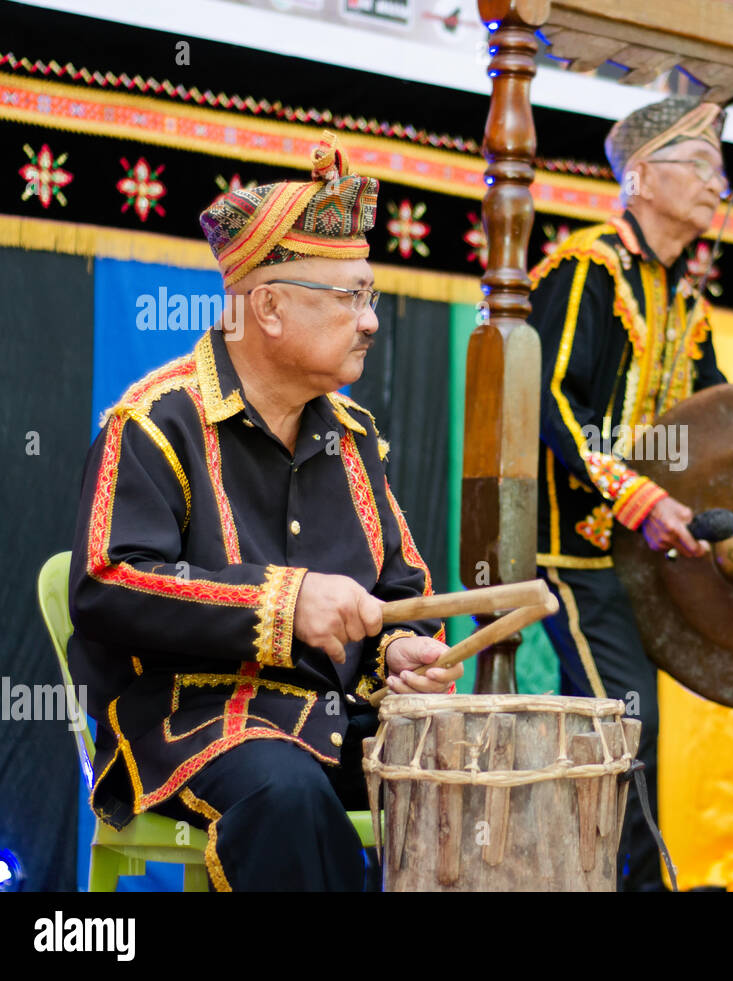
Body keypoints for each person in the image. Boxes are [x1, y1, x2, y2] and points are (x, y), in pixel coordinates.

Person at [68, 133, 460, 892]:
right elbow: (108, 584)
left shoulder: (354, 437)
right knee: (285, 793)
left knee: (476, 769)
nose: (371, 319)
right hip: (190, 722)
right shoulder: (155, 420)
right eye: (351, 297)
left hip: (332, 719)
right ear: (270, 307)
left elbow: (402, 592)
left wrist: (401, 654)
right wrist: (282, 603)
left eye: (369, 296)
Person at [530, 96, 731, 890]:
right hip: (562, 544)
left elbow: (725, 427)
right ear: (639, 178)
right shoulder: (587, 267)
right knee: (625, 723)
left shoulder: (689, 305)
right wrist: (639, 497)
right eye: (699, 168)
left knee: (623, 727)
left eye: (720, 171)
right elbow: (547, 399)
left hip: (632, 555)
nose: (718, 185)